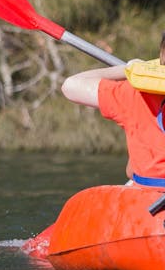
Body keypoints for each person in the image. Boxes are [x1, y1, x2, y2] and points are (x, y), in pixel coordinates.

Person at [60, 33, 165, 183]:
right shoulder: (132, 93)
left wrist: (127, 70)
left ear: (161, 53)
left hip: (149, 195)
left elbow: (71, 86)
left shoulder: (132, 94)